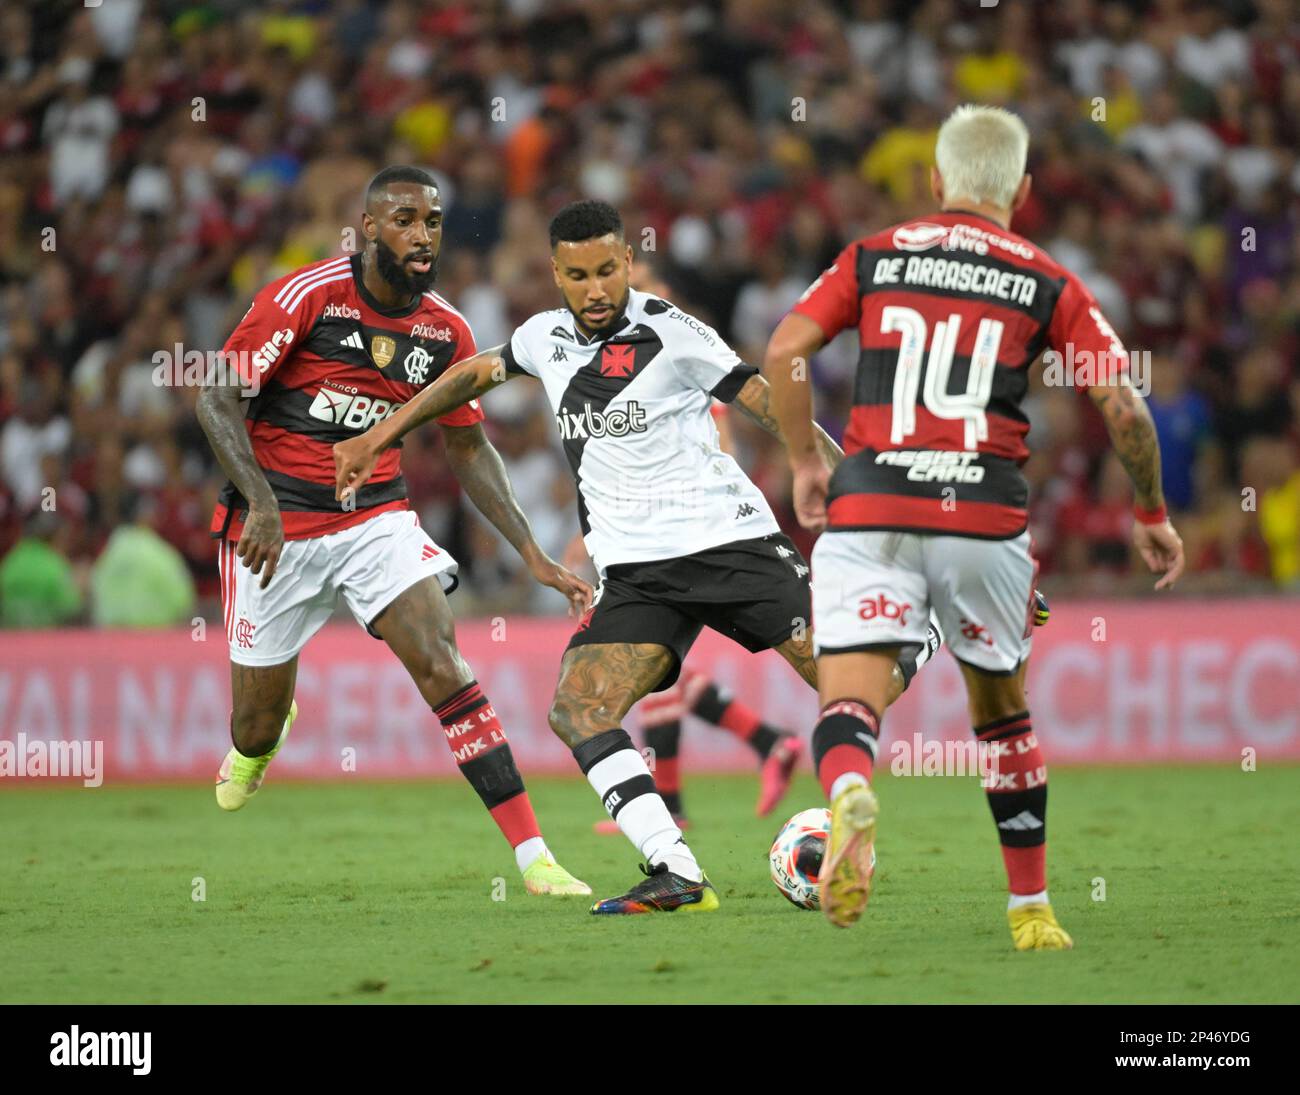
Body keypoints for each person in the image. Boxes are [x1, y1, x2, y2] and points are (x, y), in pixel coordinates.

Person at [333, 200, 944, 916]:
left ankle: (935, 620)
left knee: (852, 683)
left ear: (628, 262)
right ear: (556, 274)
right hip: (639, 576)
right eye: (577, 275)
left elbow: (769, 404)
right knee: (578, 708)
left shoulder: (672, 332)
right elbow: (470, 377)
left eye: (606, 271)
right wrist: (381, 435)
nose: (595, 289)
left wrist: (859, 494)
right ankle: (676, 870)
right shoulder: (542, 337)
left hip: (728, 545)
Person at [765, 105, 1185, 946]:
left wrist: (806, 464)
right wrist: (1150, 510)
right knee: (1001, 712)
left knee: (849, 695)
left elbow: (785, 351)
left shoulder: (877, 254)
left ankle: (850, 788)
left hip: (872, 502)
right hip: (984, 514)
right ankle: (1030, 909)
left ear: (934, 181)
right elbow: (1123, 404)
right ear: (1023, 192)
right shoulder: (1045, 278)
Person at [195, 165, 592, 897]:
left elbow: (469, 447)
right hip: (275, 530)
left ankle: (534, 855)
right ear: (370, 228)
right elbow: (215, 396)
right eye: (405, 220)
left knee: (442, 659)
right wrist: (260, 501)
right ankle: (264, 738)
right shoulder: (306, 296)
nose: (423, 234)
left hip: (375, 517)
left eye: (433, 221)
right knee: (251, 724)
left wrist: (530, 550)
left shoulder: (447, 330)